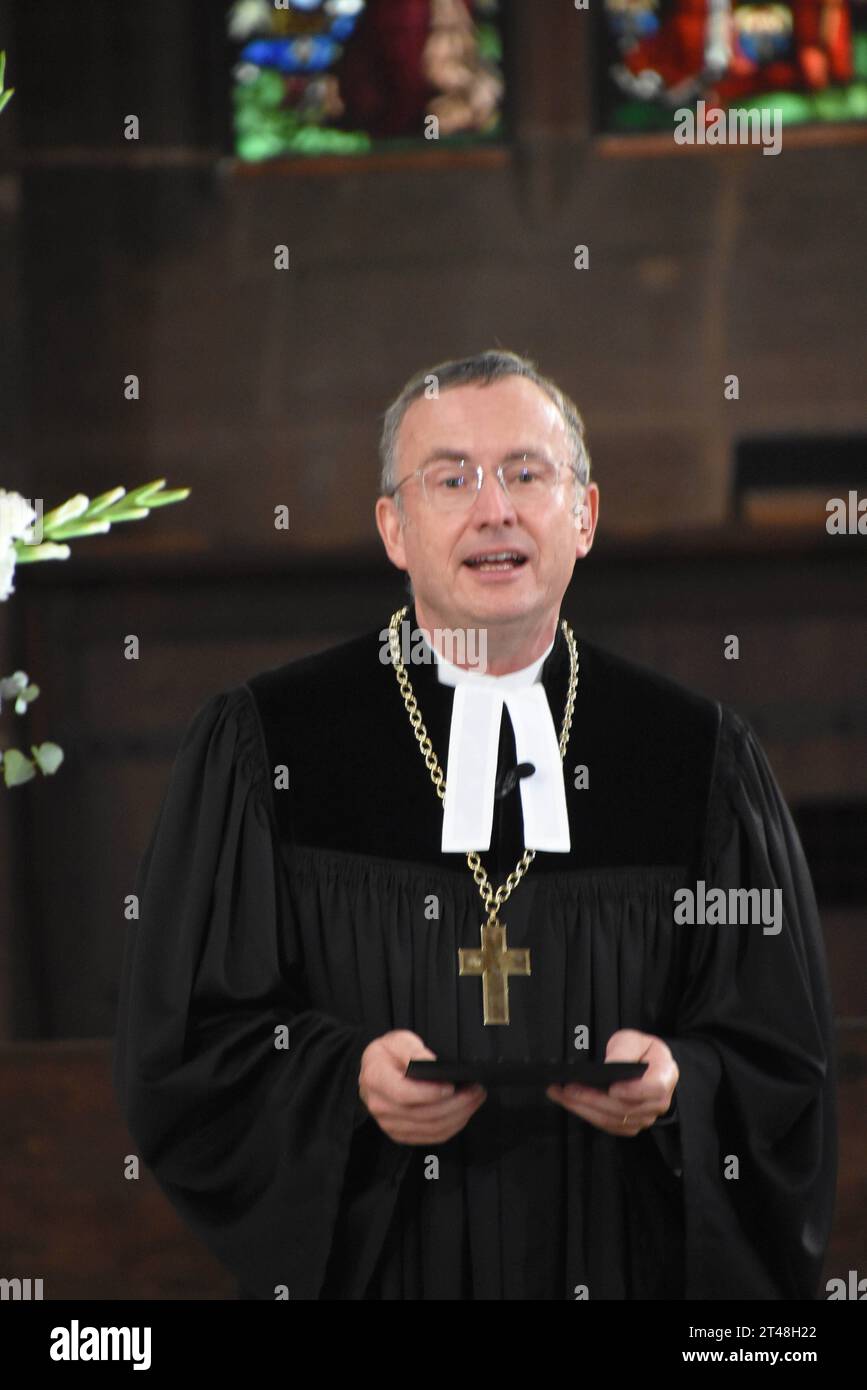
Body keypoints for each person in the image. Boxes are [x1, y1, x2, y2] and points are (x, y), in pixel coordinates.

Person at [113, 348, 837, 1300]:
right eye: (450, 478)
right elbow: (184, 1049)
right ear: (394, 528)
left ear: (583, 516)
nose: (493, 508)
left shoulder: (696, 758)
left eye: (526, 474)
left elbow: (780, 1058)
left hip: (616, 1263)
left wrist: (680, 1089)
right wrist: (342, 1082)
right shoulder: (272, 744)